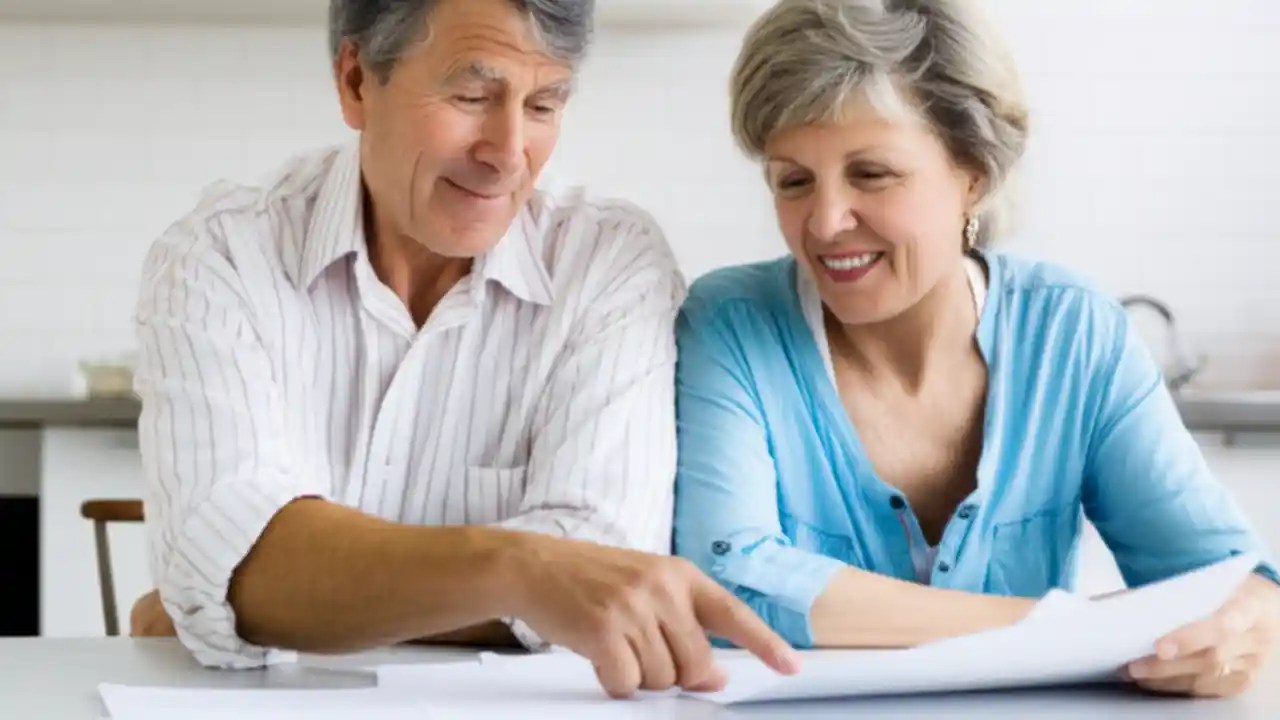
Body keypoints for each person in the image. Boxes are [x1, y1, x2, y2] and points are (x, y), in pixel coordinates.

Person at [129, 0, 798, 698]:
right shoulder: (221, 256)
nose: (508, 154)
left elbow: (604, 569)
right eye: (472, 96)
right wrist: (525, 572)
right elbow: (237, 569)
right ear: (357, 81)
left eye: (543, 105)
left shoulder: (606, 265)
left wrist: (273, 603)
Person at [673, 0, 1280, 699]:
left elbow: (1229, 575)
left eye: (871, 174)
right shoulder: (732, 324)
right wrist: (1063, 630)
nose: (826, 221)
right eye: (793, 181)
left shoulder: (1073, 334)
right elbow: (725, 581)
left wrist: (1243, 621)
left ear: (974, 175)